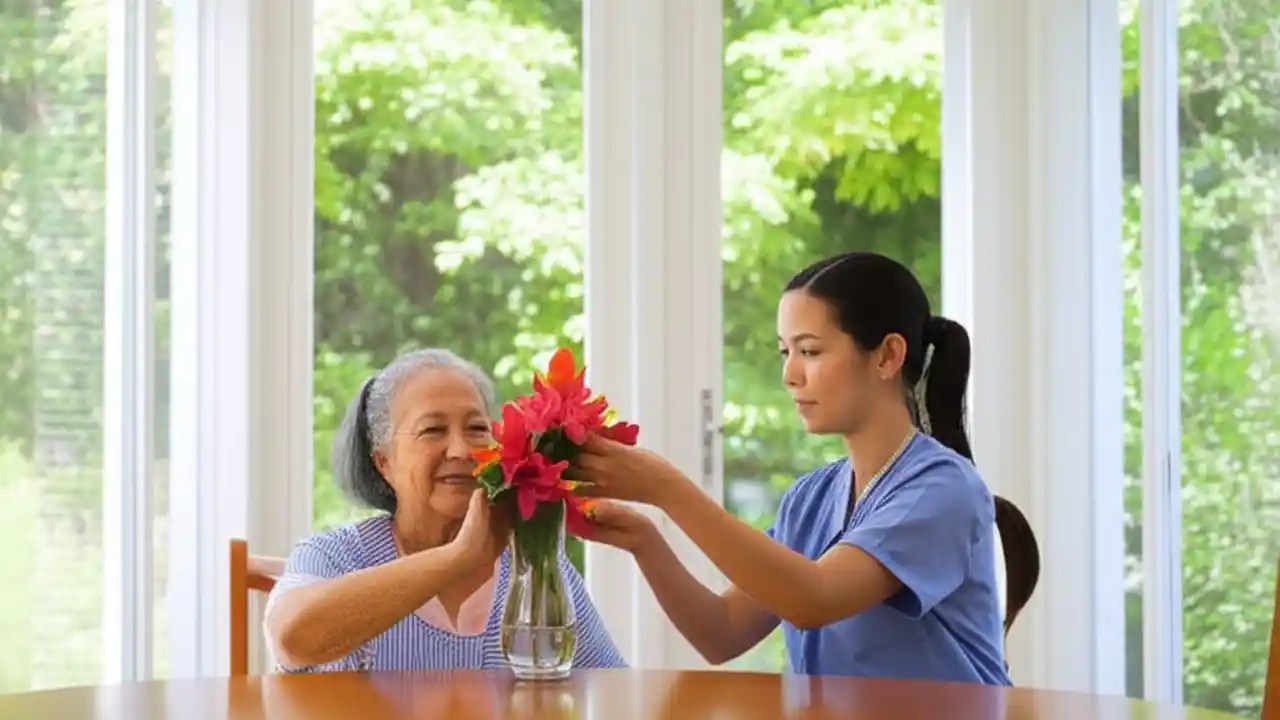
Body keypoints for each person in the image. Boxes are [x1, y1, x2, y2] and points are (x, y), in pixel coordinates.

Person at [574, 252, 1040, 685]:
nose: (790, 374)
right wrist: (645, 541)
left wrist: (669, 489)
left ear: (887, 356)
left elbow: (813, 599)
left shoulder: (944, 489)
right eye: (785, 352)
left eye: (811, 351)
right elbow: (722, 633)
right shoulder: (811, 497)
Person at [264, 348, 625, 672]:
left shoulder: (534, 561)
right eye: (433, 430)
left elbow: (611, 688)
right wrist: (461, 556)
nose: (461, 450)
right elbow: (291, 640)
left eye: (477, 429)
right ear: (383, 462)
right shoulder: (335, 556)